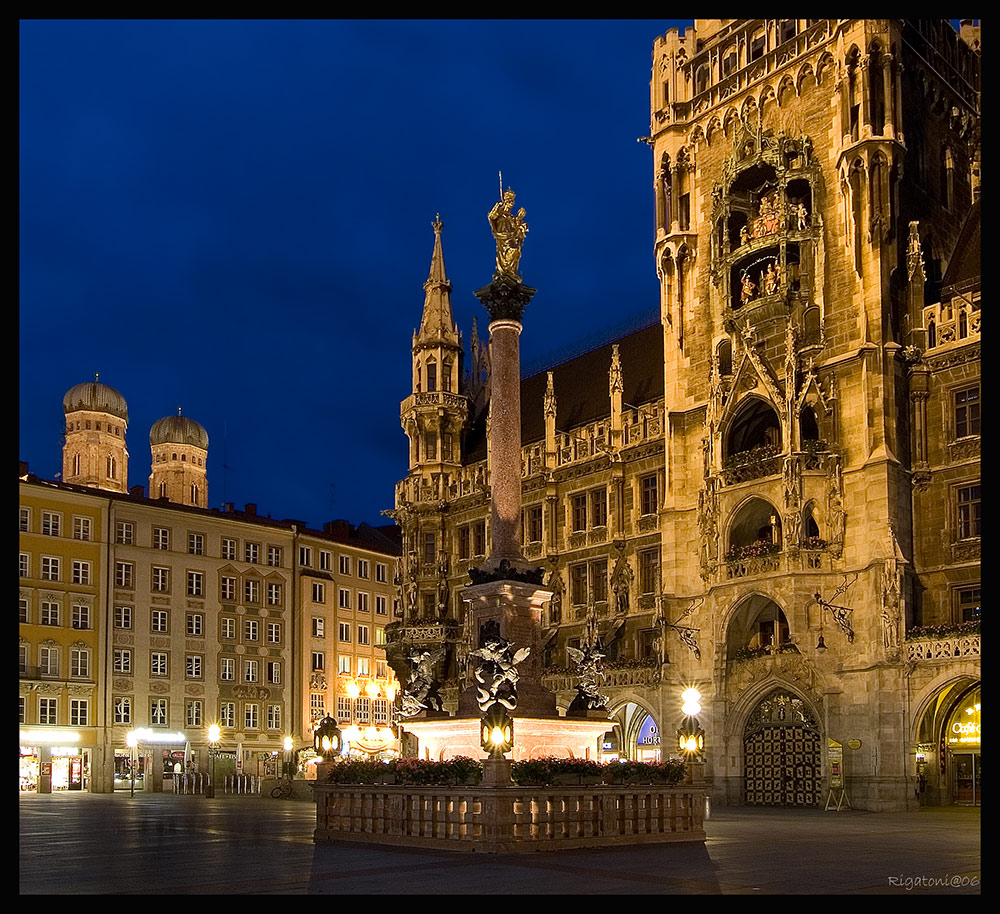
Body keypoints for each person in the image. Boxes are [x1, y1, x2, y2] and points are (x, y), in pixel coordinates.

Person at [488, 189, 529, 281]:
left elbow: (515, 230)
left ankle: (511, 272)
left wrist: (519, 218)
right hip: (502, 239)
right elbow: (491, 217)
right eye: (509, 202)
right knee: (513, 251)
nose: (511, 204)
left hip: (510, 239)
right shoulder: (500, 214)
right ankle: (507, 272)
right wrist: (497, 207)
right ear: (505, 202)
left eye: (512, 202)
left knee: (516, 252)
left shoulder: (511, 218)